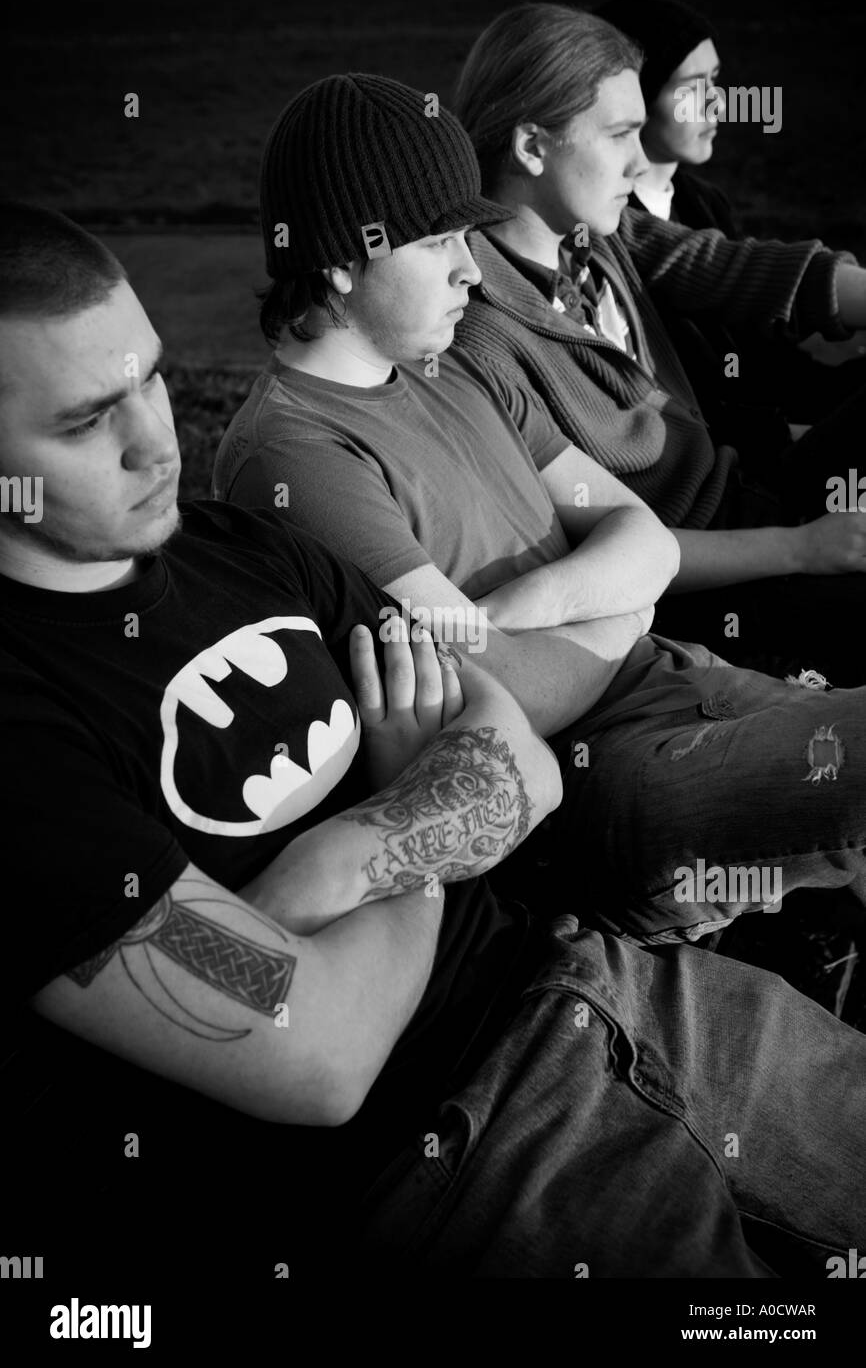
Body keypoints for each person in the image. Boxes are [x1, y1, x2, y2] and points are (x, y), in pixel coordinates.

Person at [5, 201, 866, 1280]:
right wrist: (419, 809)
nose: (154, 440)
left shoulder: (241, 547)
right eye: (88, 421)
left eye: (154, 381)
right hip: (457, 1152)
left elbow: (521, 760)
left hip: (607, 982)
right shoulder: (22, 737)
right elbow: (321, 1054)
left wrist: (343, 860)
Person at [214, 72, 866, 955]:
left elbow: (643, 536)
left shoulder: (454, 365)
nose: (469, 267)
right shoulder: (295, 456)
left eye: (467, 236)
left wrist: (551, 606)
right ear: (339, 262)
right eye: (438, 241)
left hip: (679, 679)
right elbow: (503, 696)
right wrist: (622, 609)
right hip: (602, 787)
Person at [450, 3, 866, 685]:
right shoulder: (480, 332)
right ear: (532, 147)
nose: (642, 161)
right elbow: (608, 547)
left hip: (756, 494)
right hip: (706, 585)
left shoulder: (597, 233)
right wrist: (804, 549)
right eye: (620, 134)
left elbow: (732, 269)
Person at [593, 0, 866, 441]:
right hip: (722, 453)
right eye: (691, 86)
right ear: (634, 96)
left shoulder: (701, 202)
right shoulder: (607, 224)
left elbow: (767, 358)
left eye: (715, 80)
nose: (717, 103)